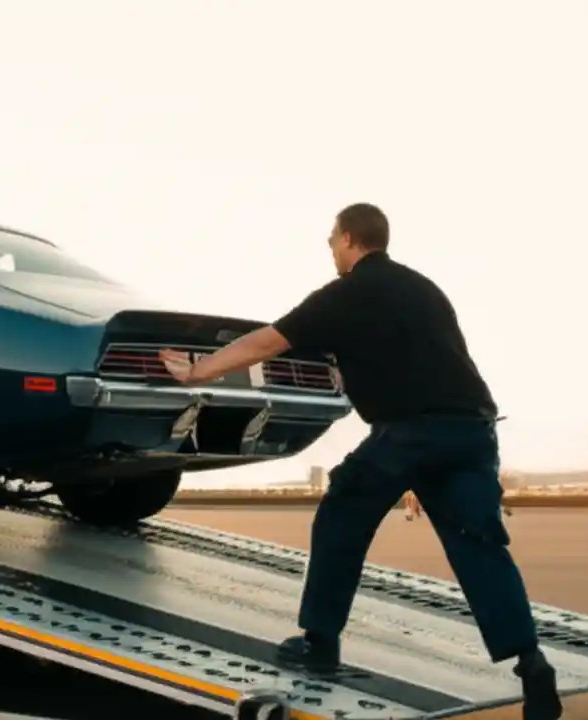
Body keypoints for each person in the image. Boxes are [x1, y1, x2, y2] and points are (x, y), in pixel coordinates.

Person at [157, 203, 562, 720]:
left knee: (342, 513)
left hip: (412, 433)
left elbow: (268, 341)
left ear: (349, 239)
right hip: (473, 431)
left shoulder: (346, 293)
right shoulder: (424, 289)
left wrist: (200, 371)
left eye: (332, 239)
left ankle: (320, 642)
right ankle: (531, 664)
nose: (330, 248)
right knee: (480, 547)